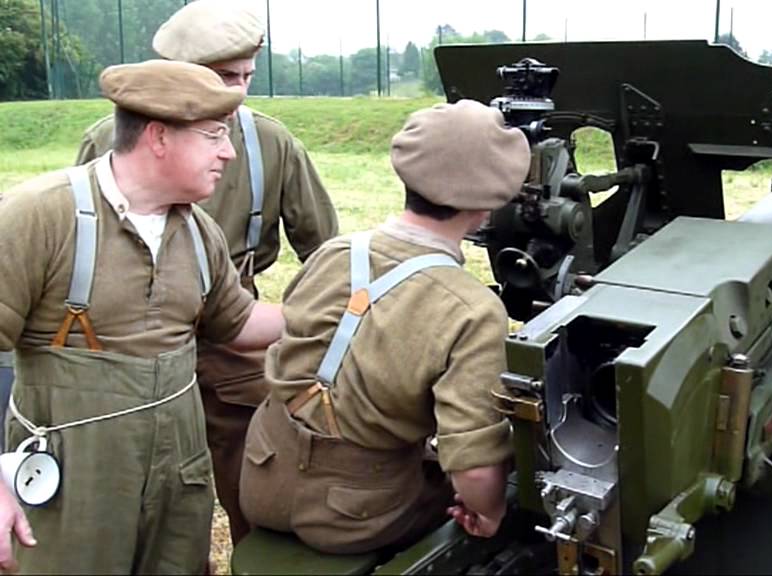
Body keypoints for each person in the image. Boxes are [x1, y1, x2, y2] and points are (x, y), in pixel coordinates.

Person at [0, 59, 285, 574]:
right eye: (214, 134)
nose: (229, 151)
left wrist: (340, 312)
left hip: (178, 484)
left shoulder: (200, 233)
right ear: (158, 137)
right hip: (74, 492)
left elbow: (239, 325)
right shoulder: (39, 218)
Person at [75, 0, 337, 543]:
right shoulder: (109, 142)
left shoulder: (269, 143)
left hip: (234, 326)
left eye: (246, 77)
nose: (237, 93)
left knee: (256, 475)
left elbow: (325, 253)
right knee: (142, 486)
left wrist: (315, 327)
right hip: (133, 335)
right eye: (223, 77)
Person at [239, 99, 530, 553]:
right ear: (487, 207)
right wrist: (489, 512)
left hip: (260, 474)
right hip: (355, 514)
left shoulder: (335, 253)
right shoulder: (472, 310)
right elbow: (474, 468)